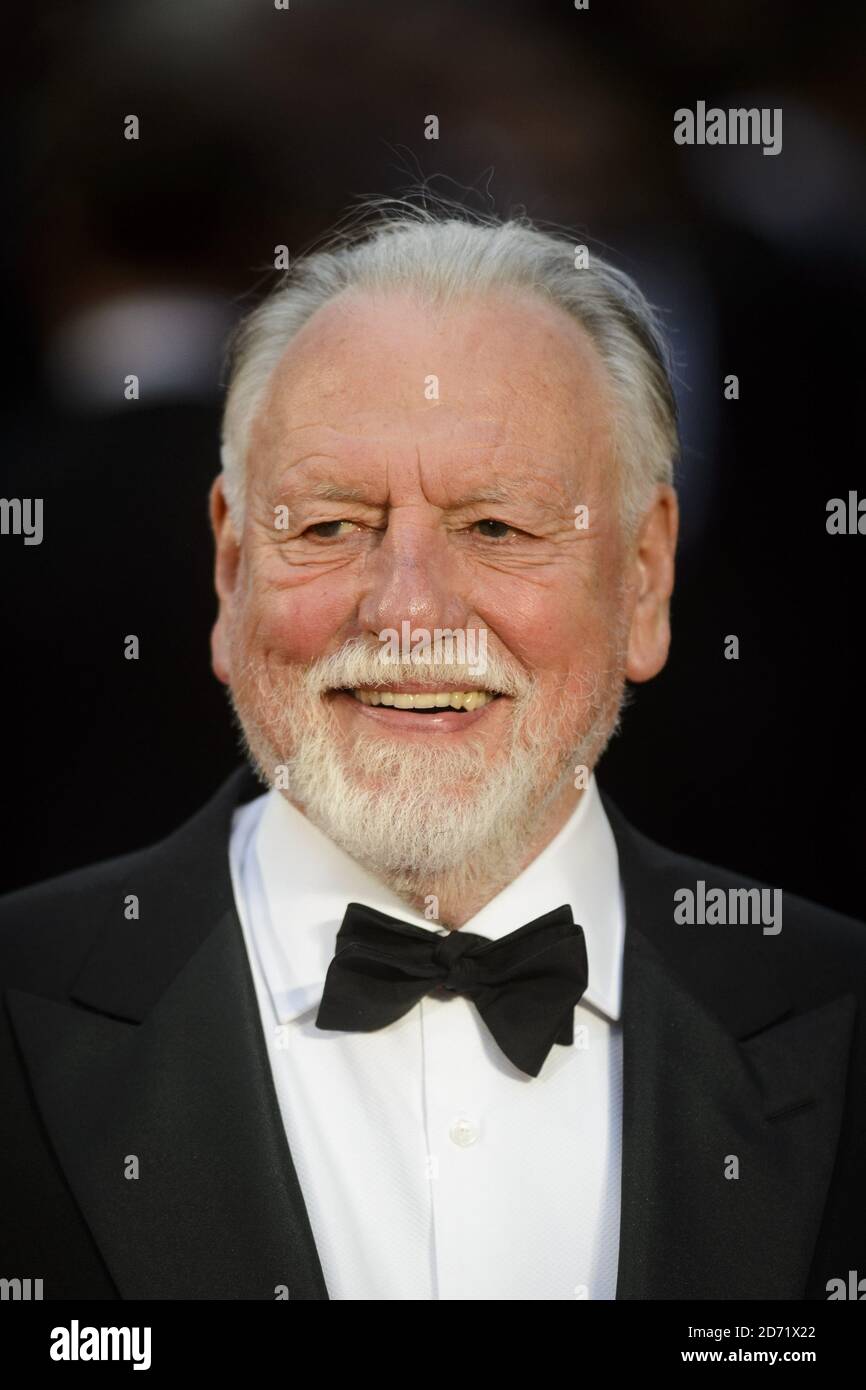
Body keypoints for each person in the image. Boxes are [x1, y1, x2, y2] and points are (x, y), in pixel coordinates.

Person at [1, 203, 863, 1301]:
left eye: (497, 527)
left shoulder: (840, 1013)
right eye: (328, 526)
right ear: (229, 573)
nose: (408, 613)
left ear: (642, 578)